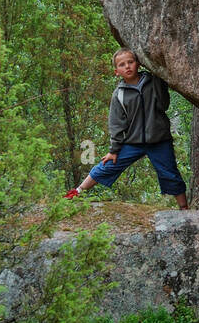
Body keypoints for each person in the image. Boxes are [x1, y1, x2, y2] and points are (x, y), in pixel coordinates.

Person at [64, 48, 189, 209]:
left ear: (138, 64)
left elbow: (164, 105)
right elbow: (116, 124)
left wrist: (160, 81)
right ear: (117, 72)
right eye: (122, 65)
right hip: (133, 141)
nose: (127, 66)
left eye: (130, 62)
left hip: (159, 140)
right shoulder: (119, 94)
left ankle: (184, 209)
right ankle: (77, 191)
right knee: (107, 164)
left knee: (170, 174)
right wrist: (114, 150)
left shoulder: (152, 81)